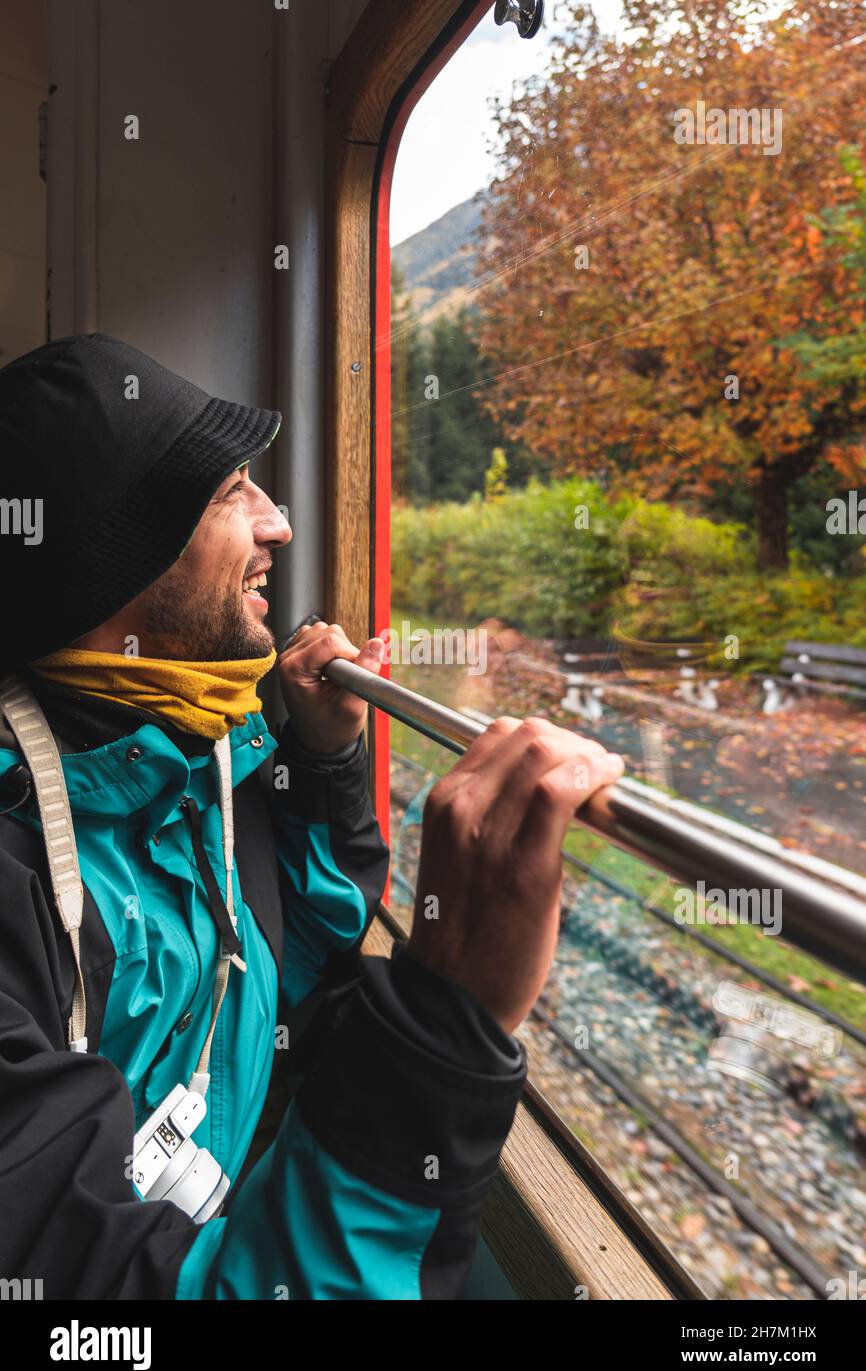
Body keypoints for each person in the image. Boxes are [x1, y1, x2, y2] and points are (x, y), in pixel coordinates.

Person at [0, 333, 624, 1300]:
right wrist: (446, 1023)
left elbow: (285, 969)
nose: (278, 526)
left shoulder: (193, 745)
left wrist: (325, 755)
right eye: (225, 494)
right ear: (111, 566)